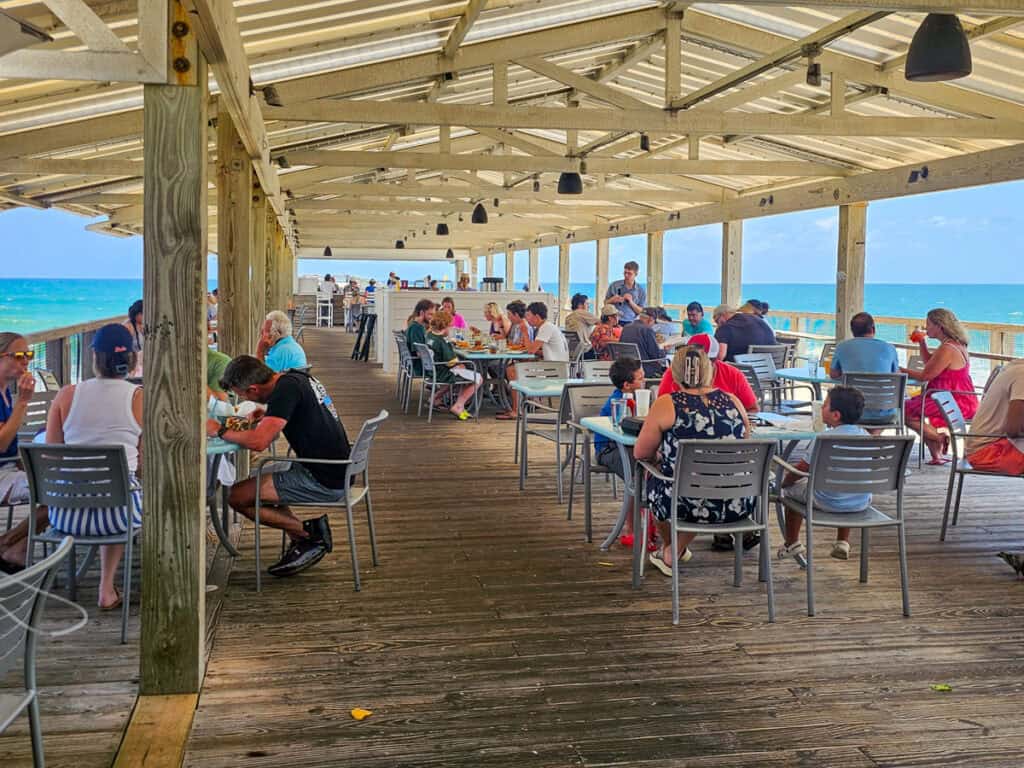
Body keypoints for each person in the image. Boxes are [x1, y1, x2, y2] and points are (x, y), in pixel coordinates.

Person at [208, 357, 348, 576]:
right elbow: (303, 410)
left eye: (243, 394)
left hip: (324, 477)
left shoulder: (285, 392)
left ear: (254, 388)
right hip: (337, 467)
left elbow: (259, 442)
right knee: (258, 481)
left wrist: (219, 430)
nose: (244, 398)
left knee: (237, 496)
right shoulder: (295, 377)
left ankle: (310, 536)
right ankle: (303, 539)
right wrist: (269, 413)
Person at [41, 324, 144, 609]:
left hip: (65, 514)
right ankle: (106, 587)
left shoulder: (66, 395)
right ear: (133, 359)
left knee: (109, 490)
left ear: (94, 358)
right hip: (119, 517)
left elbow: (51, 456)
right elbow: (144, 463)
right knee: (124, 491)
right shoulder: (138, 398)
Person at [634, 345, 752, 576]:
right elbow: (744, 445)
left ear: (674, 372)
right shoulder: (734, 402)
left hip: (685, 502)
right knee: (698, 483)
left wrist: (659, 457)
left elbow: (640, 453)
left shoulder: (667, 403)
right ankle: (675, 549)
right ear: (710, 370)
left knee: (656, 480)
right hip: (737, 502)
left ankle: (670, 551)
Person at [778, 386, 872, 561]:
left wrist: (783, 483)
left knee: (791, 492)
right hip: (860, 501)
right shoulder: (866, 436)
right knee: (848, 484)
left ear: (836, 415)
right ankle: (842, 541)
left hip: (826, 500)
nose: (821, 408)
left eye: (825, 405)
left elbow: (800, 470)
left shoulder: (824, 439)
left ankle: (792, 542)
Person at [901, 308, 978, 464]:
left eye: (928, 324)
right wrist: (922, 341)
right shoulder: (954, 344)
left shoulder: (948, 348)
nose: (926, 327)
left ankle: (938, 438)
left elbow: (925, 375)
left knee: (904, 409)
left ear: (939, 326)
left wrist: (899, 369)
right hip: (954, 396)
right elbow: (930, 364)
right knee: (913, 407)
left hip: (951, 399)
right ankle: (937, 455)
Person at [595, 357, 653, 549]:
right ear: (627, 385)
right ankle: (632, 530)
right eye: (640, 379)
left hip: (630, 447)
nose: (645, 382)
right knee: (637, 474)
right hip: (609, 449)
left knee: (654, 466)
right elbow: (618, 433)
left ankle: (651, 524)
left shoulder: (642, 399)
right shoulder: (617, 402)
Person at [0, 333, 35, 570]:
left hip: (10, 468)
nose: (26, 362)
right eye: (19, 356)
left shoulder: (5, 393)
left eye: (29, 355)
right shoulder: (13, 397)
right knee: (58, 491)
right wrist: (23, 402)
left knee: (63, 488)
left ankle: (11, 543)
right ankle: (10, 545)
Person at [656, 334, 757, 414]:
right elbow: (661, 407)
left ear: (714, 361)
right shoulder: (675, 371)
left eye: (701, 362)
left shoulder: (732, 374)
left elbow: (752, 409)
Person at [829, 312, 900, 422]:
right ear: (873, 329)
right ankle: (872, 437)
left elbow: (833, 374)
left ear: (852, 331)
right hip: (884, 413)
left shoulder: (842, 347)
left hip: (850, 413)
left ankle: (865, 437)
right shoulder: (889, 348)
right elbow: (896, 376)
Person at [965, 357, 1024, 475]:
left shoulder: (1016, 367)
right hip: (988, 452)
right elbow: (1013, 429)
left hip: (984, 446)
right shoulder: (1022, 375)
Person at [426, 311, 481, 421]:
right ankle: (459, 405)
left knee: (465, 374)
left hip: (434, 370)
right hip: (444, 372)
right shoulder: (442, 341)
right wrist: (461, 365)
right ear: (445, 326)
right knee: (478, 378)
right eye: (450, 327)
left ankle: (434, 397)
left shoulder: (430, 336)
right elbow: (451, 362)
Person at [619, 308, 666, 378]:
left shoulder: (626, 327)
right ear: (651, 319)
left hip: (626, 368)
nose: (653, 325)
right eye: (654, 323)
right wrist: (664, 350)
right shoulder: (647, 329)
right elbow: (656, 355)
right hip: (644, 369)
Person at [405, 299, 435, 376]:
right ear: (422, 313)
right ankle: (440, 387)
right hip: (420, 367)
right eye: (430, 314)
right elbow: (420, 353)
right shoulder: (417, 328)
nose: (432, 317)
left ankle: (438, 387)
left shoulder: (413, 325)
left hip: (415, 364)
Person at [124, 299, 144, 377]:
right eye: (143, 314)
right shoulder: (128, 326)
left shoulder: (142, 325)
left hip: (141, 362)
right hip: (133, 364)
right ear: (137, 314)